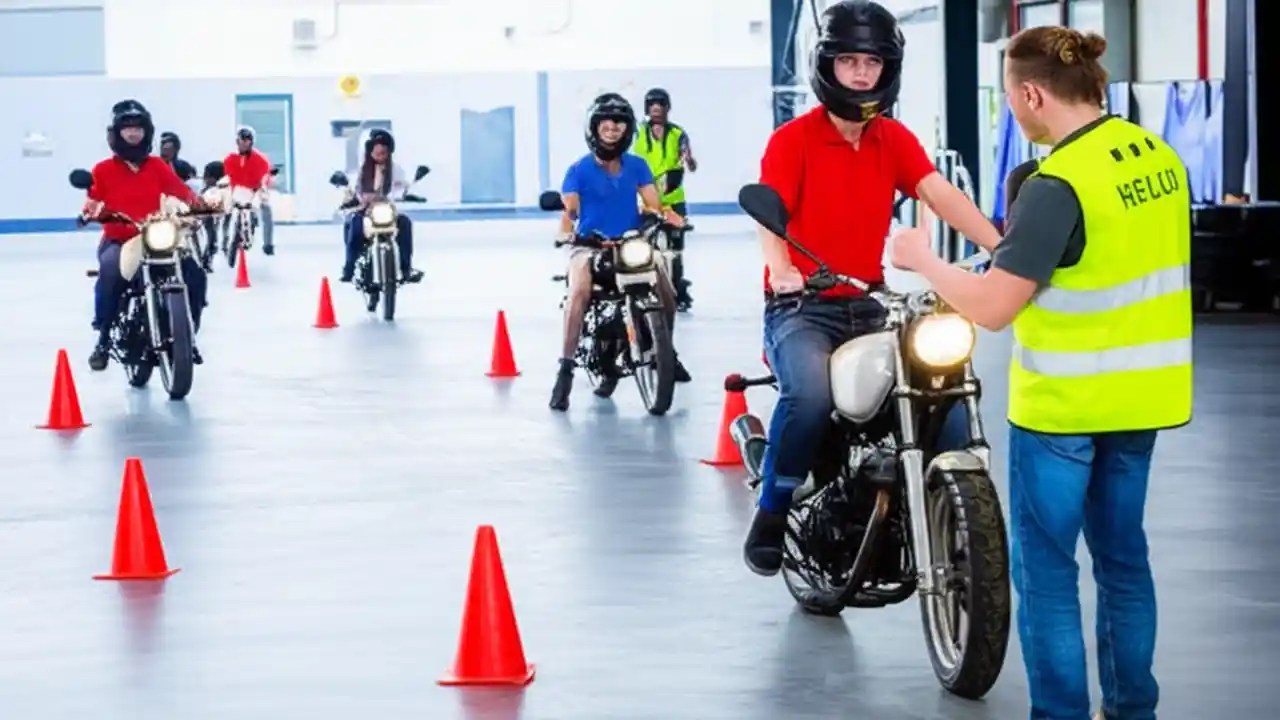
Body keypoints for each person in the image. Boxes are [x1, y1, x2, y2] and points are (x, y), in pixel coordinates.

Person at [889, 27, 1191, 720]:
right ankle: (1132, 710)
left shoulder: (1059, 183)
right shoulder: (1158, 158)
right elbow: (1087, 263)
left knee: (1048, 573)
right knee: (1123, 562)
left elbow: (994, 307)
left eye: (1010, 99)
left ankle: (1058, 714)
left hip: (1064, 407)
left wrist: (922, 258)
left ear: (1031, 94)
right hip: (1144, 399)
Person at [741, 0, 1003, 576]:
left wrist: (996, 244)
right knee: (809, 393)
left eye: (873, 63)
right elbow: (770, 215)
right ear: (826, 65)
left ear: (889, 70)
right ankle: (771, 508)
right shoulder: (793, 140)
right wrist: (781, 268)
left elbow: (941, 194)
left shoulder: (893, 139)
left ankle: (955, 509)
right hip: (802, 307)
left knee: (945, 389)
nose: (861, 74)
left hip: (869, 298)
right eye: (849, 61)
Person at [549, 92, 691, 412]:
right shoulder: (578, 169)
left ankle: (665, 351)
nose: (612, 128)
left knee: (666, 287)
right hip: (589, 245)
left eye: (619, 124)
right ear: (594, 128)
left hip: (630, 244)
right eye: (606, 123)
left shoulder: (638, 166)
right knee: (580, 290)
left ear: (628, 130)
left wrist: (665, 217)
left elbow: (653, 204)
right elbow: (569, 211)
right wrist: (566, 233)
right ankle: (565, 370)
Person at [82, 99, 215, 371]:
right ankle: (104, 337)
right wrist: (89, 212)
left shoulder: (157, 166)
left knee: (194, 274)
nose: (133, 133)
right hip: (119, 239)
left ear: (147, 132)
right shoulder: (102, 170)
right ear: (116, 133)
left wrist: (202, 208)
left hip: (156, 237)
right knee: (110, 271)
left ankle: (187, 336)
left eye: (138, 128)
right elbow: (92, 200)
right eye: (127, 128)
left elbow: (182, 191)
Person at [635, 87, 697, 311]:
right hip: (645, 198)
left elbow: (688, 159)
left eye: (660, 106)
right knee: (641, 244)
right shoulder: (637, 133)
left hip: (673, 197)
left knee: (675, 249)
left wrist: (688, 160)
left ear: (667, 108)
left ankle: (678, 291)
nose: (656, 111)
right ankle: (645, 287)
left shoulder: (677, 134)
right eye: (652, 107)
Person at [340, 129, 423, 283]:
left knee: (405, 223)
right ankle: (349, 267)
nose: (380, 155)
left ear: (389, 152)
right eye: (377, 152)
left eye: (383, 152)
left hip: (387, 212)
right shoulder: (360, 171)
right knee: (354, 224)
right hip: (366, 212)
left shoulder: (396, 170)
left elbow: (402, 187)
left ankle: (406, 268)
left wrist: (408, 193)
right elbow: (352, 189)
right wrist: (352, 198)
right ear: (370, 152)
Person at [222, 125, 275, 255]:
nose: (245, 142)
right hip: (235, 190)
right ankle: (223, 240)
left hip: (254, 190)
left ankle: (268, 244)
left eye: (248, 139)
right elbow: (226, 175)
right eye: (242, 139)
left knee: (266, 208)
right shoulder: (230, 158)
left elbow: (266, 176)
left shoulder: (261, 159)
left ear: (252, 141)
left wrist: (263, 185)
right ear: (237, 141)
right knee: (224, 209)